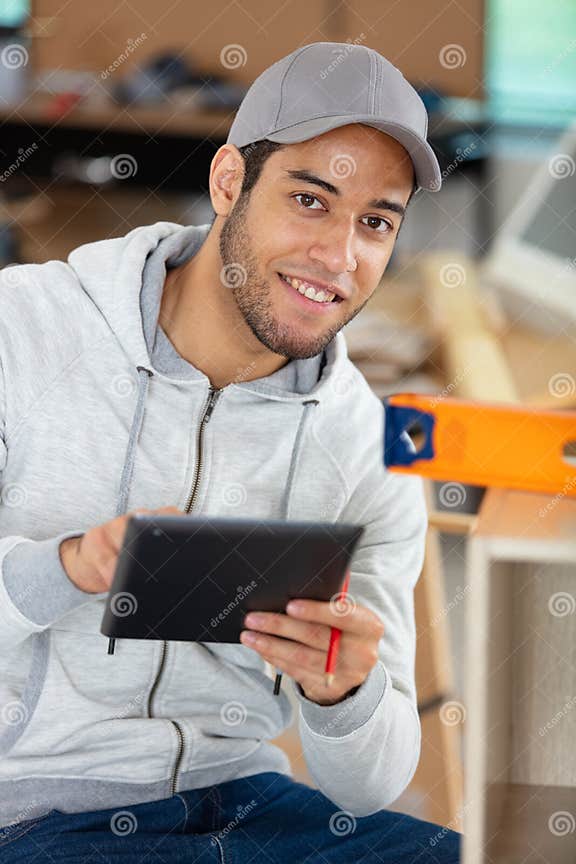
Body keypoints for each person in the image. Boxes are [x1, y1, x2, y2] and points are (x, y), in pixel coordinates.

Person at [0, 41, 460, 862]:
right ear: (227, 183)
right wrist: (66, 566)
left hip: (243, 805)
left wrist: (345, 690)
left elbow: (372, 783)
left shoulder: (369, 447)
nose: (339, 258)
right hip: (31, 812)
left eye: (375, 221)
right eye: (311, 200)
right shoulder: (21, 333)